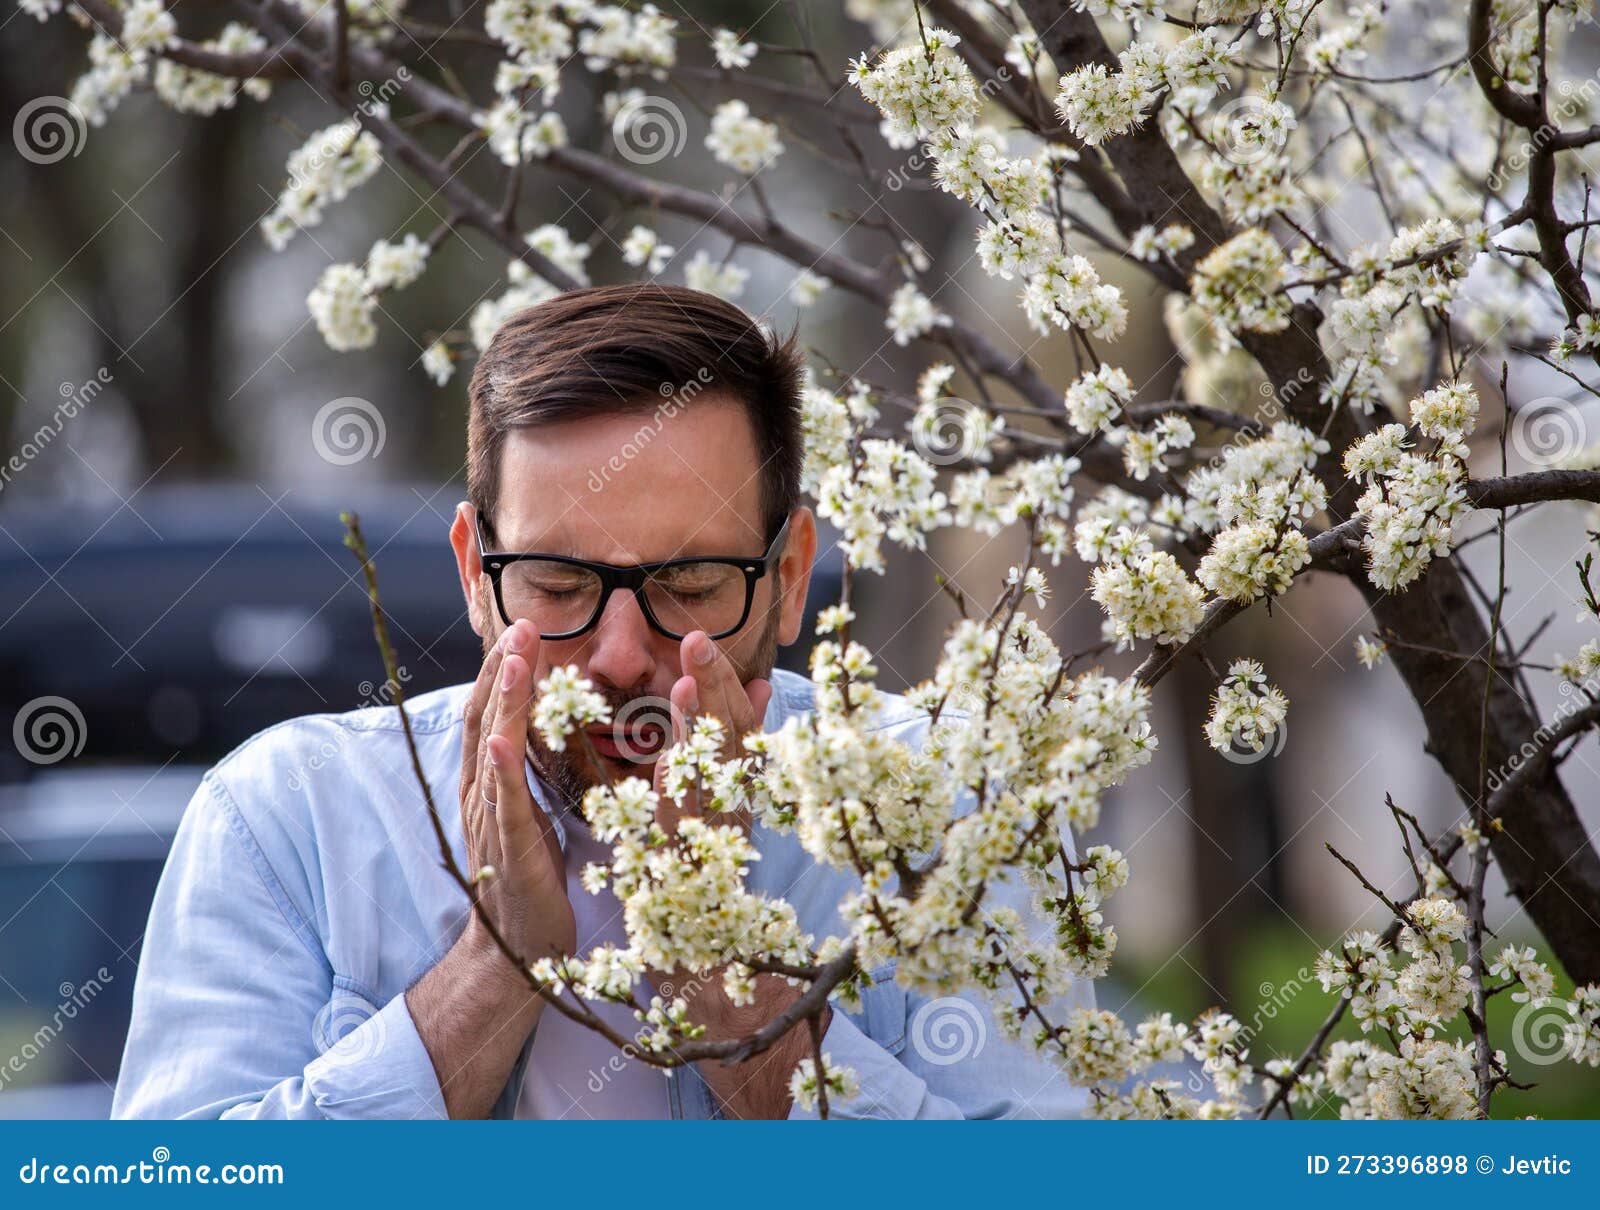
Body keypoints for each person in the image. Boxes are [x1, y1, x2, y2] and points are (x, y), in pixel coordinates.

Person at [112, 283, 1092, 1119]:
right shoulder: (287, 815)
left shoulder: (948, 807)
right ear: (474, 570)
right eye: (557, 581)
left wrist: (730, 989)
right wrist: (494, 972)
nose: (621, 655)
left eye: (693, 582)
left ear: (791, 577)